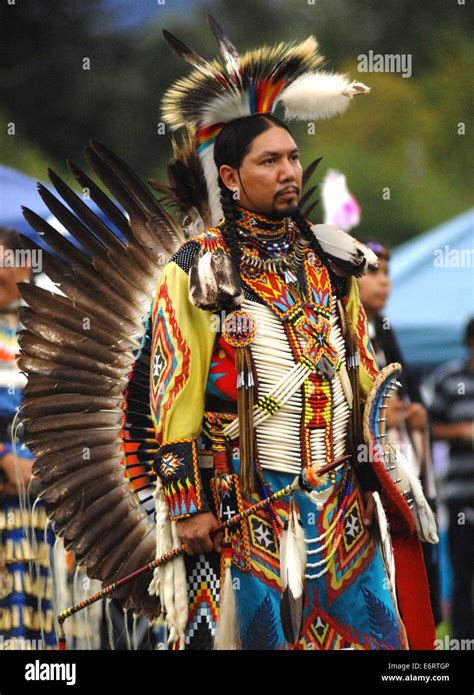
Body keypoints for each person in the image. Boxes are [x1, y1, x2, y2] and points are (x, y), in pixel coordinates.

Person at [18, 17, 438, 651]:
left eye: (294, 157)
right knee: (254, 638)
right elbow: (174, 392)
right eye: (269, 161)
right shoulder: (199, 270)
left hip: (343, 499)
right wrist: (187, 505)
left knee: (378, 640)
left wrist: (385, 453)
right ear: (233, 179)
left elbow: (357, 365)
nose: (289, 171)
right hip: (249, 503)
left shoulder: (331, 260)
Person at [356, 239, 442, 626]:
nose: (385, 283)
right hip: (364, 484)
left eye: (388, 273)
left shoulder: (384, 333)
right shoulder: (342, 332)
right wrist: (373, 421)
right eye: (374, 272)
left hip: (402, 472)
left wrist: (415, 417)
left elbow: (409, 397)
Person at [0, 227, 56, 649]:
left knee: (53, 611)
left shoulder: (47, 328)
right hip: (6, 489)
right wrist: (2, 457)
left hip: (49, 491)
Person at [427, 317, 474, 640]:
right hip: (461, 496)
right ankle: (461, 641)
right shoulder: (449, 380)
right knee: (462, 576)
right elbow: (426, 428)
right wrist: (460, 431)